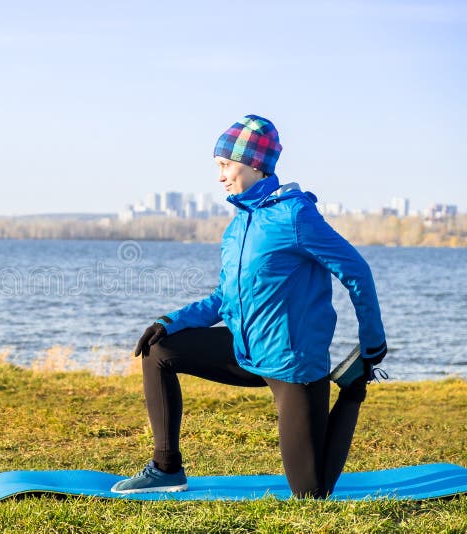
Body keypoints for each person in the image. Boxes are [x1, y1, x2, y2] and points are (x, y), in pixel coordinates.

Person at [111, 115, 387, 499]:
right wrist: (170, 321)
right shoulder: (239, 224)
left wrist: (372, 343)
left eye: (225, 165)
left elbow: (356, 271)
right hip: (245, 350)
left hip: (293, 363)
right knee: (159, 350)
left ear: (255, 164)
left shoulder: (295, 215)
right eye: (217, 167)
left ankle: (353, 387)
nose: (220, 176)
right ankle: (166, 468)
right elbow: (224, 298)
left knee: (311, 492)